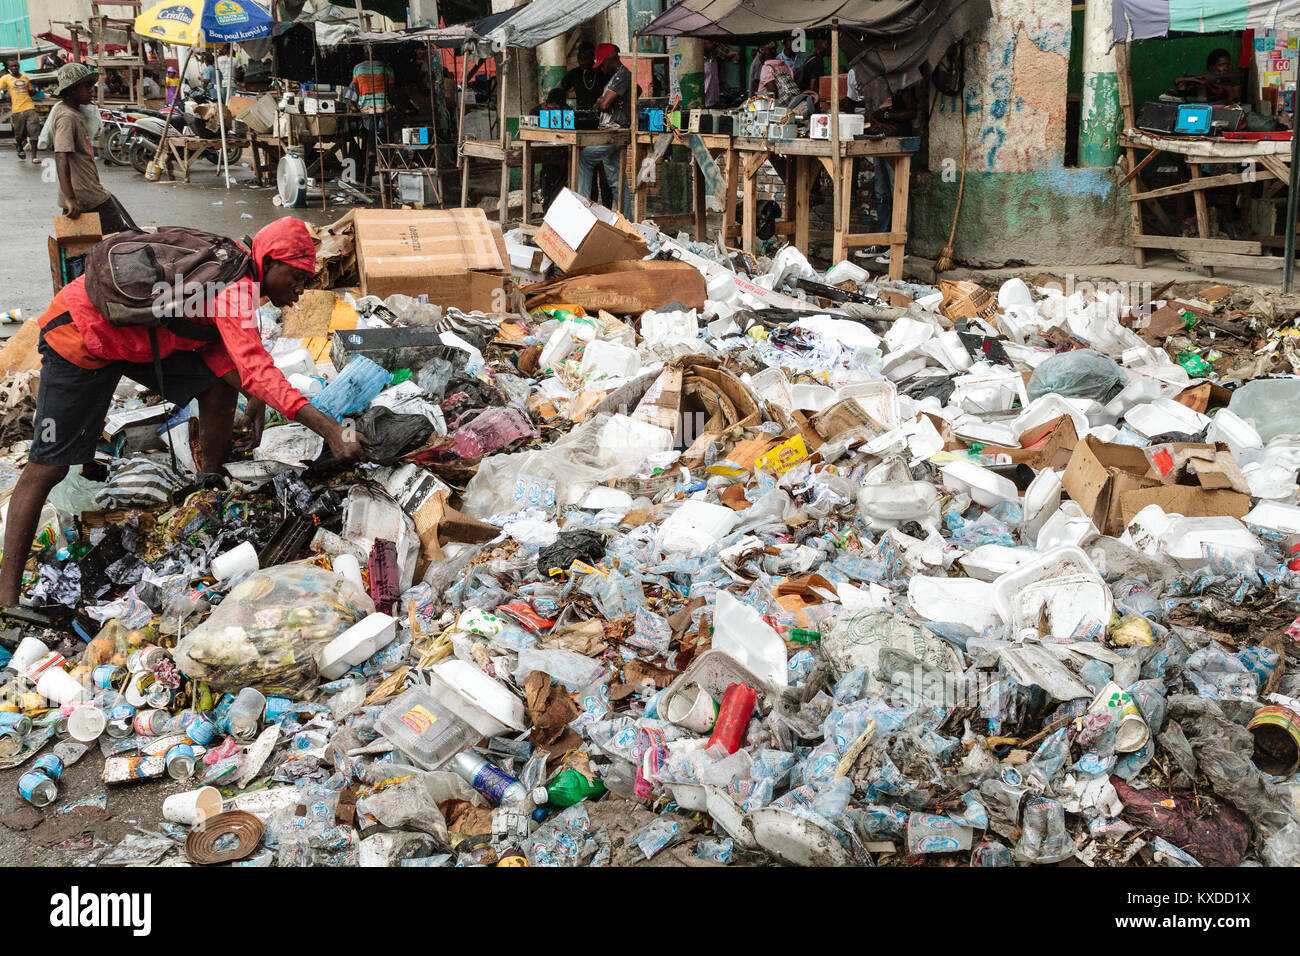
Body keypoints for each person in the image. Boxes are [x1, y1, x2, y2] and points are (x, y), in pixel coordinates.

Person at [0, 217, 363, 607]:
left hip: (135, 339)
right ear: (270, 261)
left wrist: (255, 394)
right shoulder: (235, 286)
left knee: (216, 385)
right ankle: (7, 601)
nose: (300, 290)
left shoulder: (235, 268)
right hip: (79, 335)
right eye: (297, 278)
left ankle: (210, 486)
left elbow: (228, 353)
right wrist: (330, 431)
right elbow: (256, 369)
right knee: (48, 467)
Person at [49, 63, 136, 235]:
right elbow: (61, 156)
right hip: (85, 194)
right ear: (72, 89)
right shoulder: (67, 117)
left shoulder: (72, 112)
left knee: (79, 242)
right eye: (87, 86)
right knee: (118, 235)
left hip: (85, 190)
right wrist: (70, 198)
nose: (92, 90)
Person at [578, 43, 633, 216]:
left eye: (603, 63)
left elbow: (603, 103)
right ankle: (628, 220)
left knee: (584, 158)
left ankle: (582, 210)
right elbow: (599, 103)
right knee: (617, 181)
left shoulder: (622, 75)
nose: (601, 67)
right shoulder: (614, 77)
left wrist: (603, 102)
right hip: (611, 132)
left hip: (616, 132)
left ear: (611, 59)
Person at [1, 60, 41, 164]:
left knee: (34, 131)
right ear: (9, 68)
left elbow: (30, 92)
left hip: (29, 107)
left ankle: (34, 157)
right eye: (12, 66)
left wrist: (36, 90)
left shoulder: (25, 77)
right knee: (19, 135)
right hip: (17, 109)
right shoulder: (6, 78)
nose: (14, 68)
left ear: (19, 66)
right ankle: (19, 147)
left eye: (16, 66)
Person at [556, 41, 601, 111]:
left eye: (585, 58)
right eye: (580, 59)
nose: (582, 62)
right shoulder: (574, 73)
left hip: (600, 113)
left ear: (593, 56)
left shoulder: (601, 72)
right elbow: (558, 90)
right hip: (581, 112)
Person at [702, 40, 739, 108]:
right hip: (704, 104)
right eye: (710, 42)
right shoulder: (699, 63)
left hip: (715, 102)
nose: (713, 44)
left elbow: (722, 51)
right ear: (702, 45)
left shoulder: (713, 58)